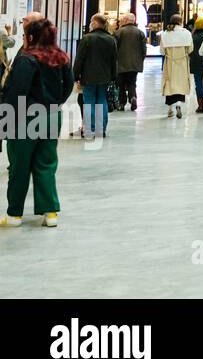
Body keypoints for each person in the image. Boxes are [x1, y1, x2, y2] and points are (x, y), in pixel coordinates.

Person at [0, 19, 74, 228]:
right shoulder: (61, 58)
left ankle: (14, 215)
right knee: (47, 164)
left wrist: (5, 121)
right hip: (51, 115)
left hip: (26, 117)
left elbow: (16, 93)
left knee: (19, 166)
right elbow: (68, 87)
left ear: (31, 37)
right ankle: (50, 213)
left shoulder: (26, 59)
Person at [73, 13, 117, 140]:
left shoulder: (87, 39)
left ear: (95, 24)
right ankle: (101, 129)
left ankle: (90, 129)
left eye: (92, 22)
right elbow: (114, 60)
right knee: (102, 100)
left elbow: (79, 59)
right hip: (105, 77)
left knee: (89, 102)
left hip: (88, 76)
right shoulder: (111, 39)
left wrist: (75, 76)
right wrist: (114, 76)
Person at [160, 14, 193, 117]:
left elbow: (162, 51)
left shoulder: (165, 33)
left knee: (169, 83)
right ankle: (179, 104)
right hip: (182, 62)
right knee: (181, 83)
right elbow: (190, 49)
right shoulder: (186, 33)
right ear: (180, 21)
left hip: (170, 63)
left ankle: (170, 109)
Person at [115, 12, 146, 111]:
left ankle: (122, 103)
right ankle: (133, 97)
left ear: (125, 20)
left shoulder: (119, 32)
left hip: (120, 63)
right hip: (135, 64)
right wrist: (140, 60)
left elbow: (114, 48)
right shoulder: (140, 33)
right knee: (132, 82)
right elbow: (144, 50)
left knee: (121, 84)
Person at [190, 15, 203, 114]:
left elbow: (190, 51)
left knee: (198, 84)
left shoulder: (192, 36)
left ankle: (200, 104)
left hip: (195, 63)